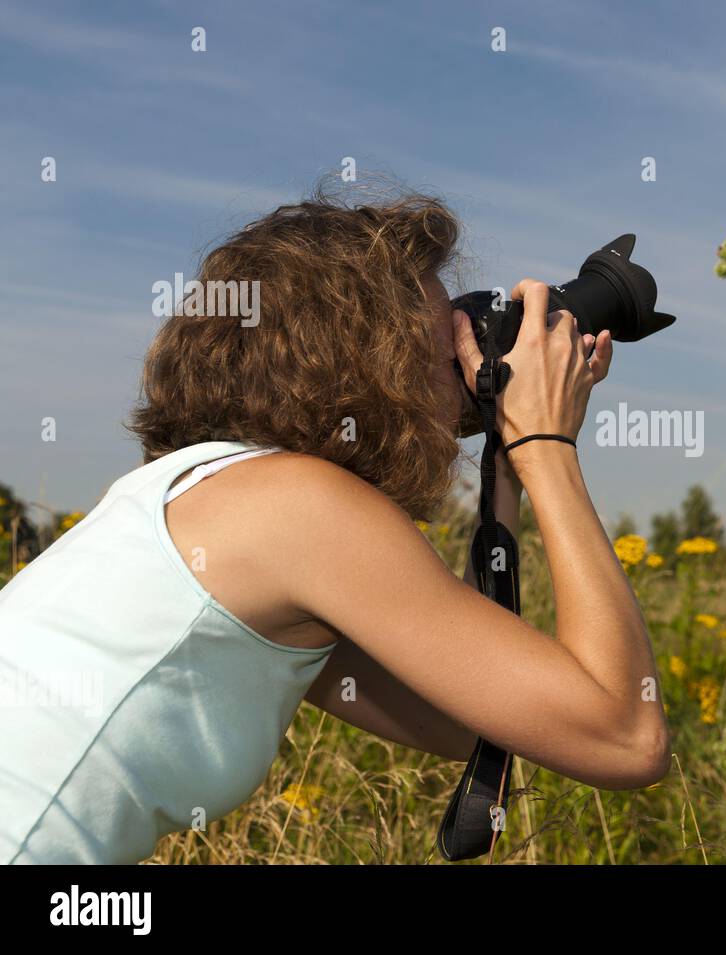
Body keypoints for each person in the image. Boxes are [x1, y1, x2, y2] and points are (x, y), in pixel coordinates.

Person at [0, 190, 670, 864]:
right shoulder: (301, 504)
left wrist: (507, 459)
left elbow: (466, 713)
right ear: (372, 355)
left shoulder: (190, 498)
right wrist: (547, 442)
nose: (464, 361)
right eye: (449, 341)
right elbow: (625, 734)